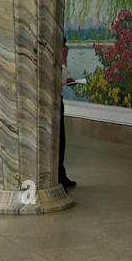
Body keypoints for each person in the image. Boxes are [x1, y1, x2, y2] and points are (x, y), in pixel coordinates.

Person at [59, 40, 76, 189]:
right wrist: (64, 58)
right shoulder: (54, 58)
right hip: (54, 104)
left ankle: (61, 175)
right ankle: (58, 178)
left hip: (58, 101)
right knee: (58, 142)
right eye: (64, 45)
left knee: (60, 142)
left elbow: (62, 80)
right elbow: (60, 78)